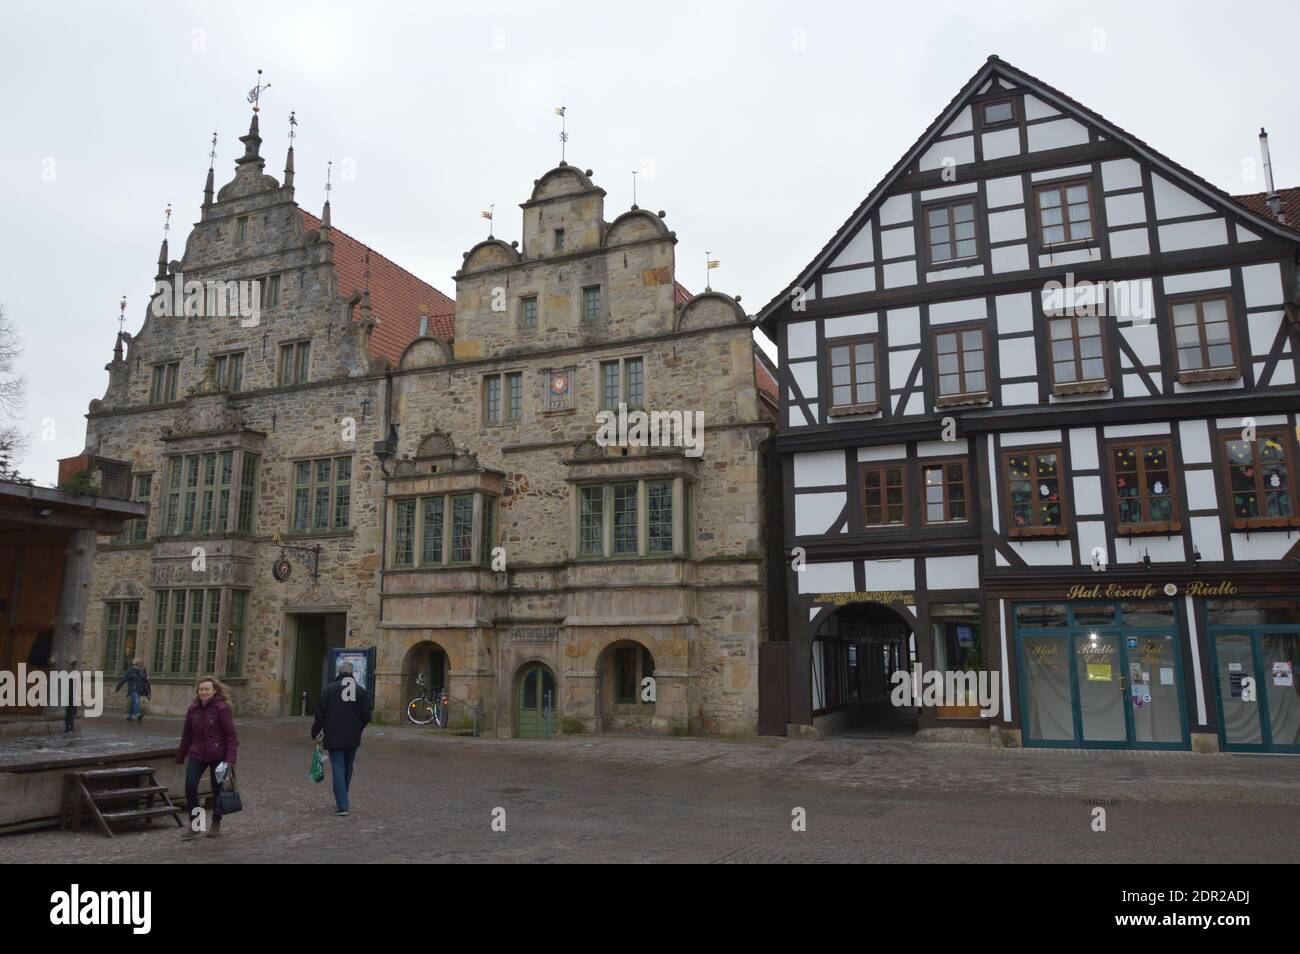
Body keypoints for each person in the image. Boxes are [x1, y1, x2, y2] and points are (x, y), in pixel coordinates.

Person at [175, 676, 238, 840]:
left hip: (218, 755)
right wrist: (181, 755)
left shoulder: (221, 709)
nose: (203, 692)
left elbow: (231, 736)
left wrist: (230, 759)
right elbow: (187, 735)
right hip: (197, 753)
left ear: (214, 690)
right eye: (201, 689)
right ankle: (196, 824)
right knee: (190, 786)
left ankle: (216, 822)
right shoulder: (193, 709)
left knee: (217, 791)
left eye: (207, 689)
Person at [310, 661, 372, 816]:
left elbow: (320, 714)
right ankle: (343, 796)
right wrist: (359, 727)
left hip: (334, 734)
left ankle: (343, 805)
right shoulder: (361, 691)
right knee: (348, 766)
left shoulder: (329, 690)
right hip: (352, 736)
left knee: (338, 767)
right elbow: (367, 715)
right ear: (352, 673)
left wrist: (315, 732)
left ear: (339, 672)